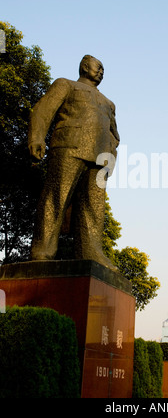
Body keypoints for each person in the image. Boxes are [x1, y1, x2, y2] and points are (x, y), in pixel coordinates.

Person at [28, 55, 120, 270]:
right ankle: (43, 250)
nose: (101, 72)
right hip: (69, 146)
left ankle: (91, 251)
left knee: (94, 207)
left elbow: (114, 135)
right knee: (56, 197)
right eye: (98, 67)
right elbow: (42, 110)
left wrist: (110, 159)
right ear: (84, 66)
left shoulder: (108, 103)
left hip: (99, 157)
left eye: (103, 70)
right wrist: (36, 137)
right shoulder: (66, 85)